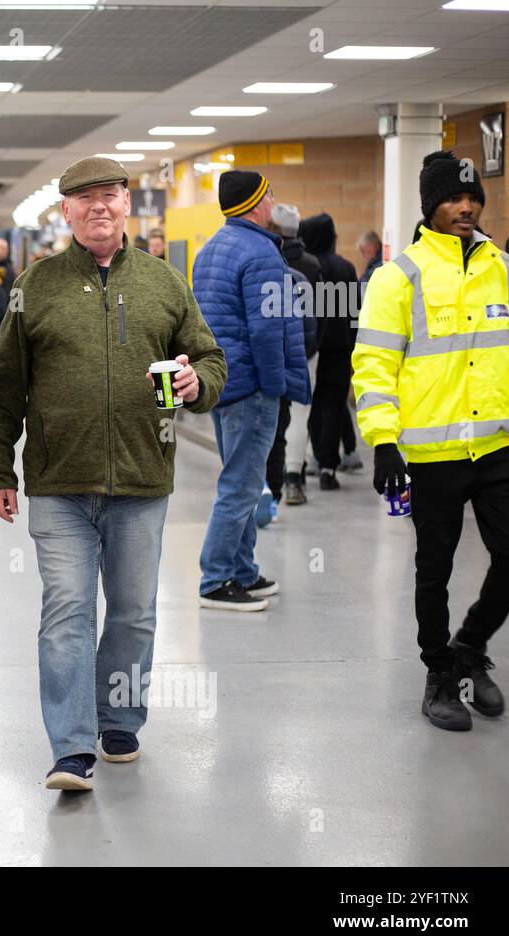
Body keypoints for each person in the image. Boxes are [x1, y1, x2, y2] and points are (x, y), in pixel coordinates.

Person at [0, 157, 226, 790]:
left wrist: (198, 384)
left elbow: (208, 358)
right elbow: (3, 385)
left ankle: (120, 717)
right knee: (67, 612)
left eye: (109, 196)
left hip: (142, 481)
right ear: (64, 212)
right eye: (83, 199)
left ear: (126, 205)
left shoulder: (165, 283)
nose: (98, 207)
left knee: (134, 612)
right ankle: (70, 747)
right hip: (59, 481)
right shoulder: (35, 285)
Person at [353, 149, 509, 733]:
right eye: (453, 197)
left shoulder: (505, 269)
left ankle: (471, 648)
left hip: (498, 445)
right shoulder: (399, 276)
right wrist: (383, 441)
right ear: (431, 205)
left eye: (473, 198)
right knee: (435, 569)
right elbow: (372, 363)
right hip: (432, 452)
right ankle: (440, 675)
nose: (466, 207)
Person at [194, 171, 309, 611]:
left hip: (222, 385)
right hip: (252, 387)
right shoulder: (261, 252)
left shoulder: (211, 250)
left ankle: (243, 570)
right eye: (271, 196)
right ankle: (216, 579)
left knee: (241, 479)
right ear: (257, 205)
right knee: (242, 486)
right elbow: (267, 331)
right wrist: (276, 387)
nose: (276, 203)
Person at [300, 212, 361, 489]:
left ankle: (313, 459)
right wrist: (354, 347)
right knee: (334, 407)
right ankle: (328, 467)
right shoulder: (345, 268)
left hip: (312, 351)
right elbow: (354, 313)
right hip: (339, 350)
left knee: (311, 405)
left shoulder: (306, 268)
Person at [270, 202, 320, 508]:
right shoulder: (313, 265)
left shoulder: (263, 262)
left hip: (277, 352)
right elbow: (322, 314)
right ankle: (293, 478)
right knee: (301, 413)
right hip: (306, 350)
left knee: (273, 417)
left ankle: (269, 480)